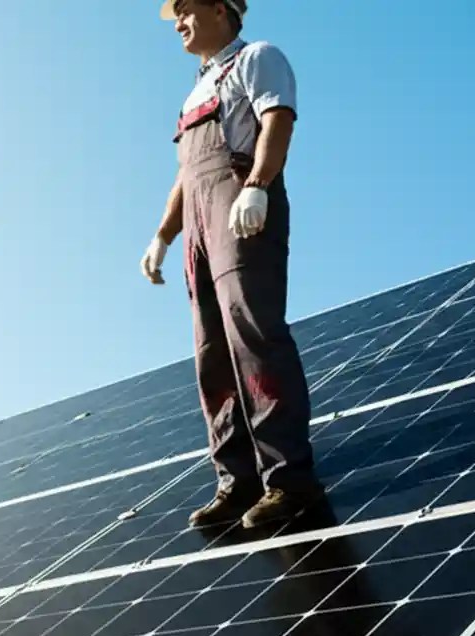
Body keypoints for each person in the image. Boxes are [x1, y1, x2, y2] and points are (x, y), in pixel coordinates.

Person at [140, 0, 323, 529]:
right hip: (197, 225)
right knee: (211, 354)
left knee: (254, 336)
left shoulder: (256, 59)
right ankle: (236, 480)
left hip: (239, 206)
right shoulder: (193, 92)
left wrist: (258, 187)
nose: (178, 22)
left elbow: (277, 120)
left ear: (221, 9)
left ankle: (289, 480)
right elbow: (184, 178)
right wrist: (163, 237)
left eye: (187, 10)